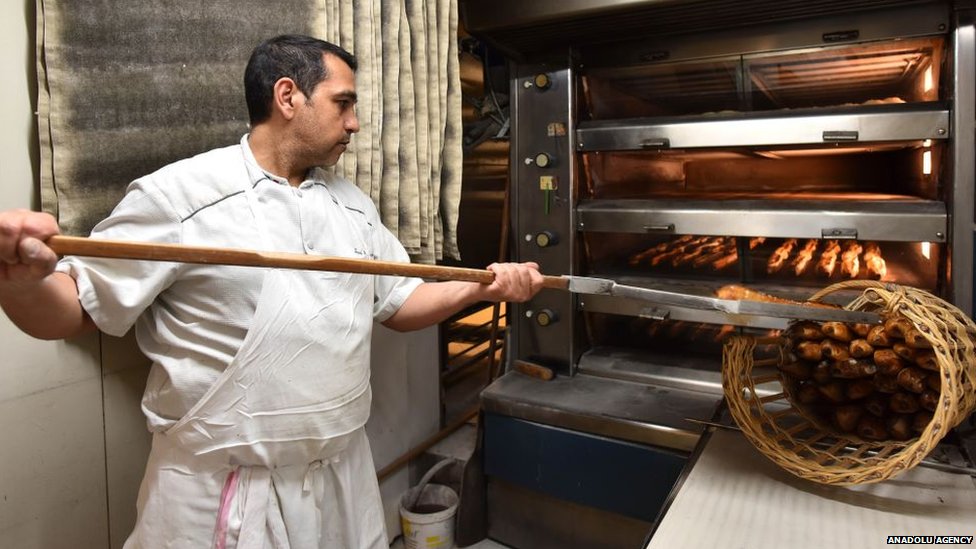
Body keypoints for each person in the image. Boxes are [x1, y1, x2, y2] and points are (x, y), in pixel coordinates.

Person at [0, 34, 543, 548]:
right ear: (288, 96)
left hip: (341, 479)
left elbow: (399, 304)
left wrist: (483, 288)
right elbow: (72, 310)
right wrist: (22, 283)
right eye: (343, 103)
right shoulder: (182, 196)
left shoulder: (352, 206)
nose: (354, 123)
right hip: (222, 493)